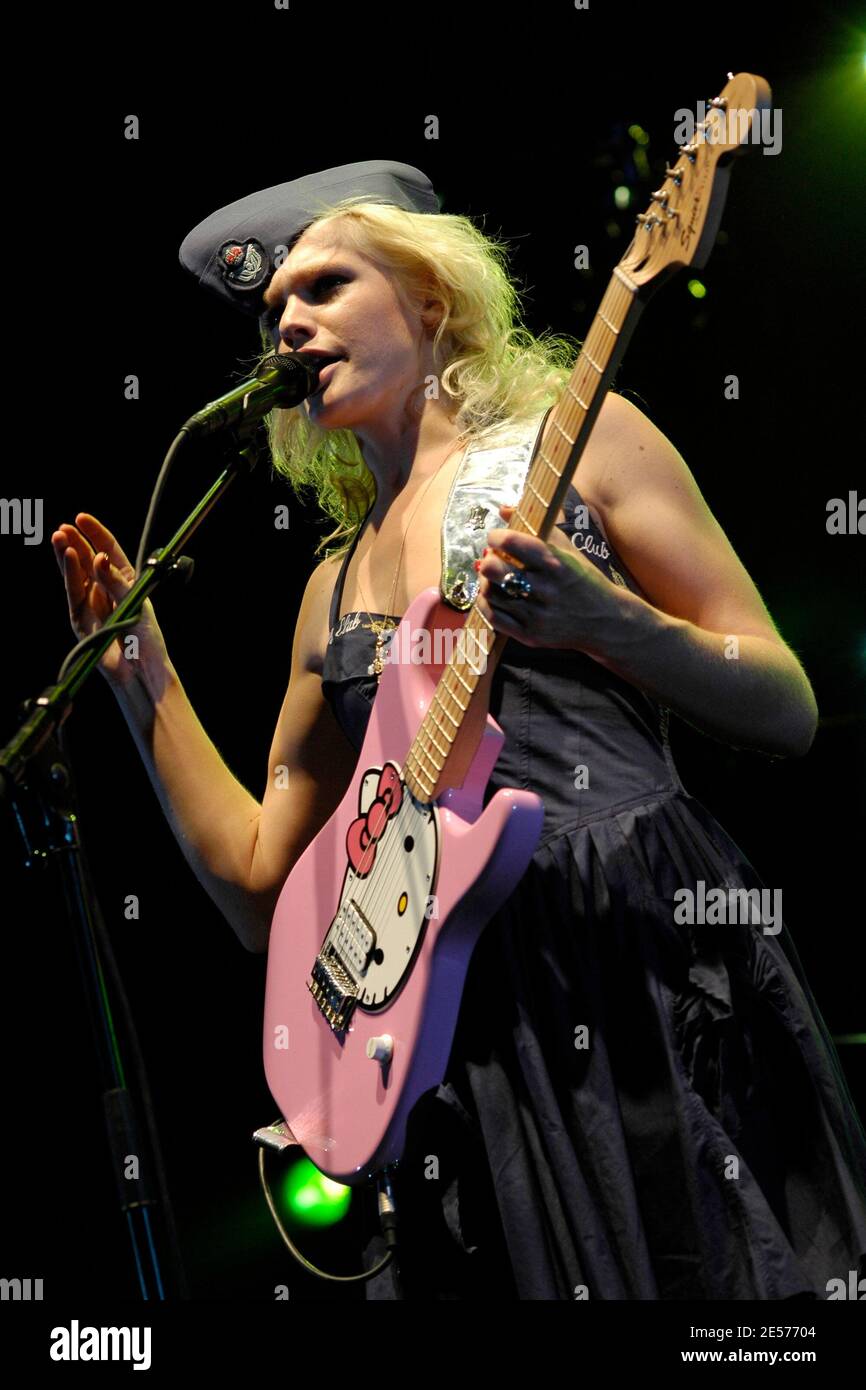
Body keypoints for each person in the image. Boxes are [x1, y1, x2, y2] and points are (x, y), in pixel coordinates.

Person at [51, 162, 866, 1300]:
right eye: (273, 307)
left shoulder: (580, 444)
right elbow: (256, 890)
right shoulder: (327, 591)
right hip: (449, 1032)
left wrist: (613, 624)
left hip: (627, 954)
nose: (288, 320)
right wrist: (147, 687)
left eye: (326, 284)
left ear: (428, 299)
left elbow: (782, 703)